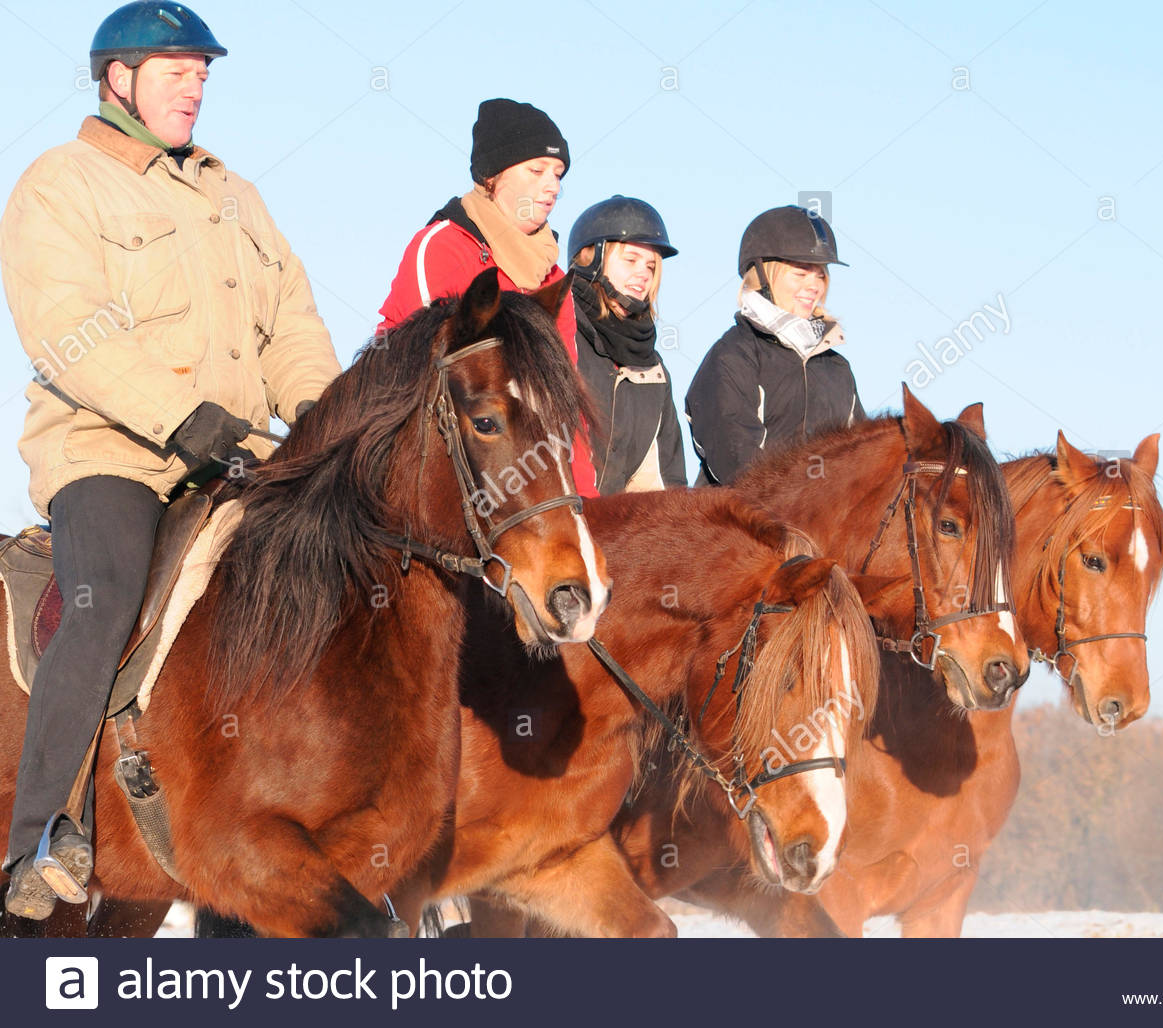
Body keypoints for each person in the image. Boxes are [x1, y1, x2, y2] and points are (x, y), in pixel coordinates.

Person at [0, 1, 340, 919]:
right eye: (175, 67)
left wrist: (320, 415)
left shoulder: (234, 195)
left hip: (235, 458)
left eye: (203, 69)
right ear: (118, 78)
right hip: (110, 449)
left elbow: (291, 325)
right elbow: (66, 329)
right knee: (103, 596)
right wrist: (179, 418)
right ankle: (38, 839)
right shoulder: (60, 184)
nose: (196, 82)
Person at [377, 98, 597, 496]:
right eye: (537, 170)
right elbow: (421, 387)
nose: (553, 186)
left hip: (524, 482)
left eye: (559, 174)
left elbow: (564, 408)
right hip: (432, 478)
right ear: (493, 176)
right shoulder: (443, 246)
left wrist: (584, 505)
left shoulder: (555, 279)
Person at [685, 206, 861, 486]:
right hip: (741, 522)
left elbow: (857, 460)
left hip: (819, 525)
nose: (814, 285)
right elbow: (738, 463)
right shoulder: (734, 354)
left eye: (820, 274)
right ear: (765, 275)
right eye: (801, 273)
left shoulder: (837, 368)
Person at [567, 196, 686, 493]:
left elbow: (662, 484)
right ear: (591, 260)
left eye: (651, 266)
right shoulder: (560, 336)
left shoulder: (652, 367)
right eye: (630, 260)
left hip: (614, 531)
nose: (643, 274)